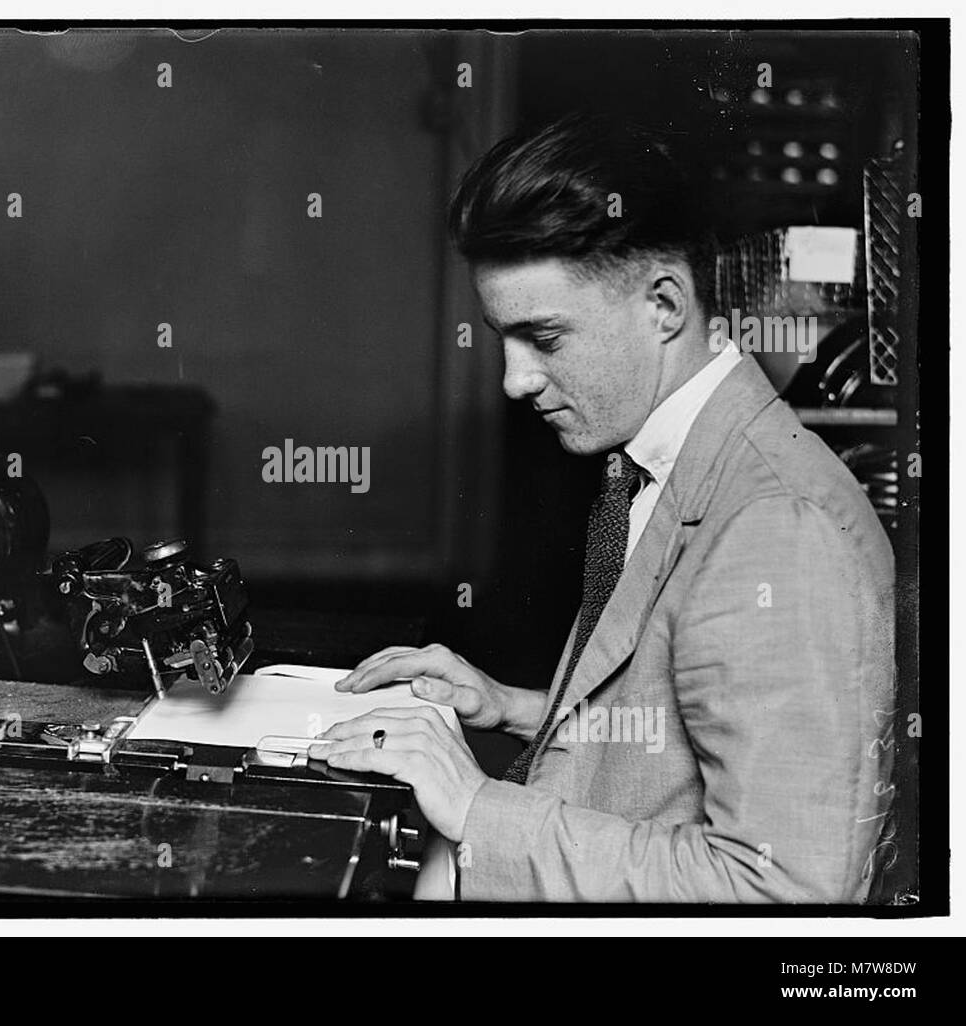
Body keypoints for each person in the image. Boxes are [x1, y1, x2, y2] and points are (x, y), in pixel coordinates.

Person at [307, 114, 896, 902]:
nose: (515, 380)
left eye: (543, 338)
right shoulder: (664, 460)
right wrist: (512, 707)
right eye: (501, 339)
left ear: (663, 306)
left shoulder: (778, 527)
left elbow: (784, 890)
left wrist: (478, 805)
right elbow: (677, 735)